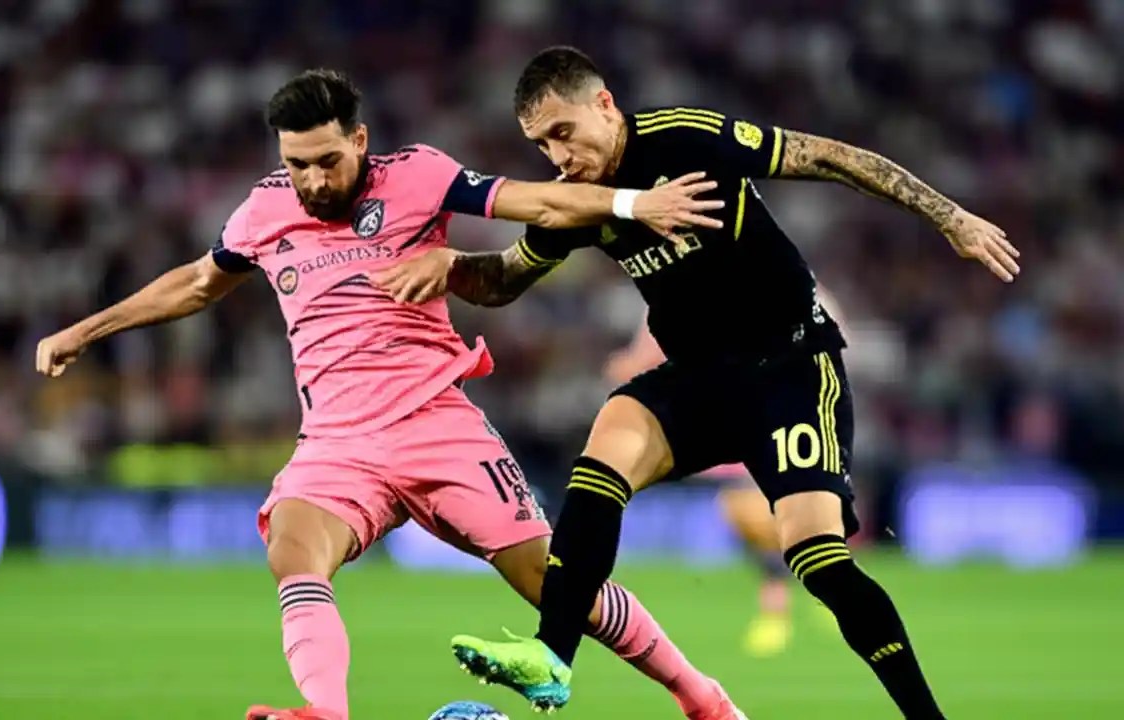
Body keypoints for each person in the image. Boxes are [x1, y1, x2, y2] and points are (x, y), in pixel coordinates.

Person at [34, 68, 746, 720]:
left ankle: (702, 698)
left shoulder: (419, 177)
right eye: (296, 164)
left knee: (552, 581)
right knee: (294, 547)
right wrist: (86, 331)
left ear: (360, 140)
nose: (312, 180)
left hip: (437, 423)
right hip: (337, 443)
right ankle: (326, 713)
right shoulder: (261, 214)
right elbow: (195, 283)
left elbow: (539, 201)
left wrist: (631, 202)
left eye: (326, 160)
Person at [374, 46, 1019, 718]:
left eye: (563, 133)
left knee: (819, 560)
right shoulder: (588, 202)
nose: (557, 157)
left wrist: (951, 217)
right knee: (606, 447)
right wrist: (448, 265)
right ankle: (552, 658)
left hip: (789, 368)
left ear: (604, 104)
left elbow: (828, 157)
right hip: (698, 380)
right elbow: (506, 279)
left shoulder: (683, 138)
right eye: (541, 145)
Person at [604, 283, 850, 659]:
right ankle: (809, 598)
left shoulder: (787, 279)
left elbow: (835, 335)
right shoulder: (679, 292)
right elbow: (648, 353)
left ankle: (809, 600)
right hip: (737, 416)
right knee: (755, 515)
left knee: (774, 513)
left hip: (790, 414)